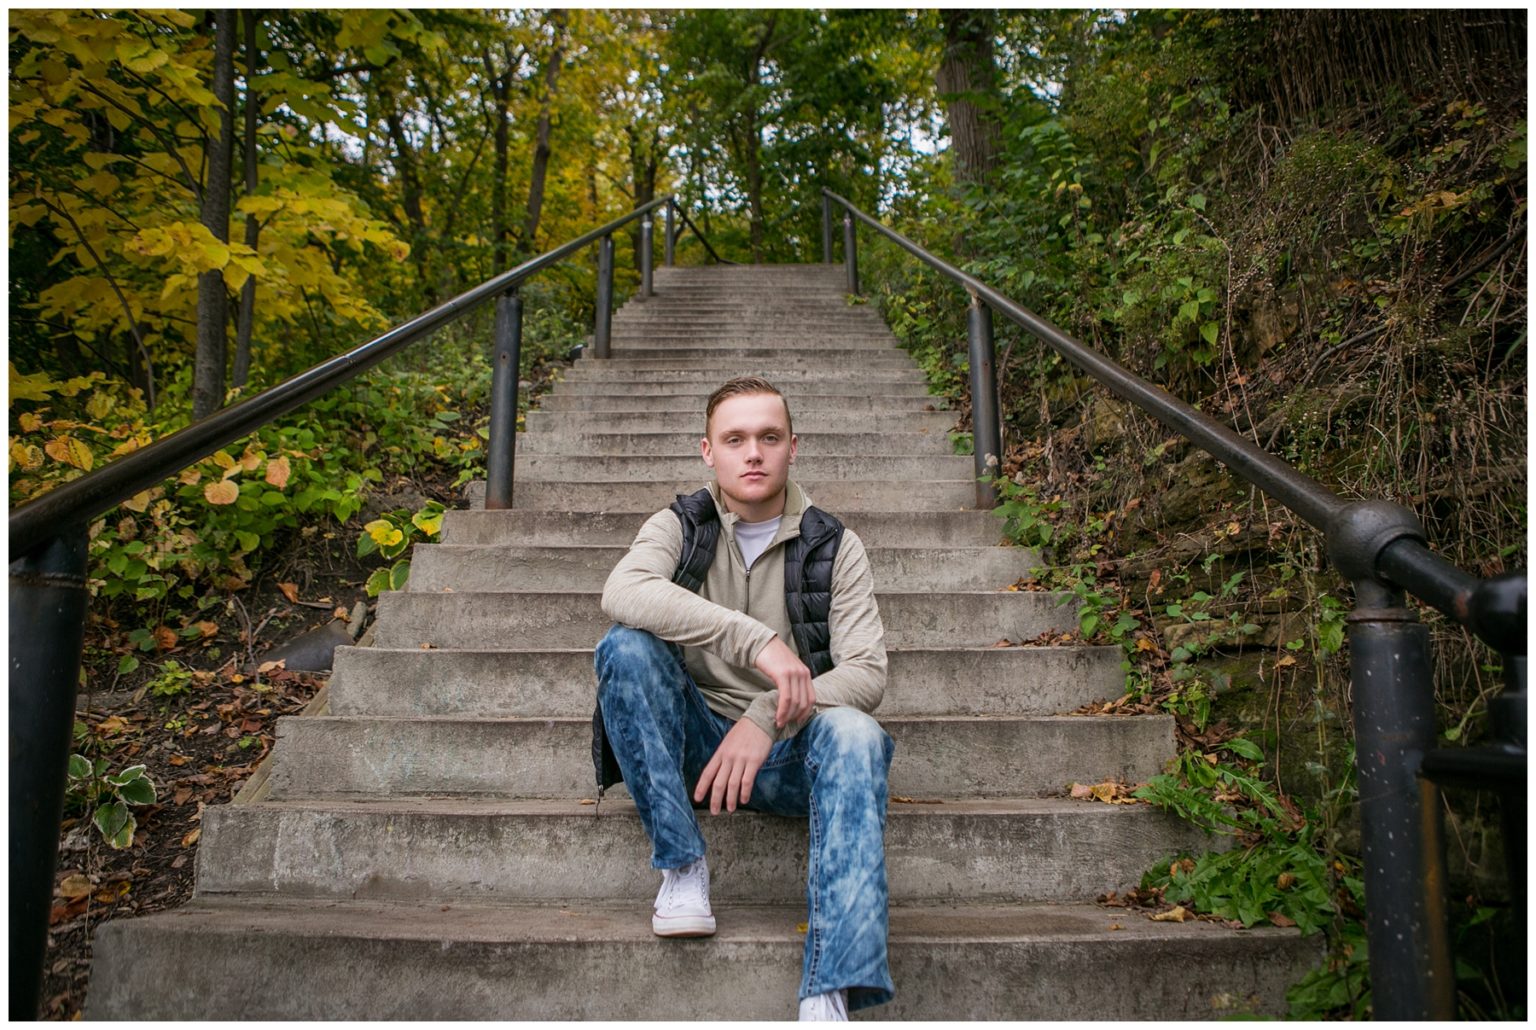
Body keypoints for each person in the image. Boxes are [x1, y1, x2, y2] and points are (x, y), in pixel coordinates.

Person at [593, 376, 894, 1021]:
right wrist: (757, 642)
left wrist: (765, 717)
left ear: (793, 447)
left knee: (858, 734)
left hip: (789, 754)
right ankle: (682, 867)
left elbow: (867, 673)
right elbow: (622, 590)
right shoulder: (680, 525)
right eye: (735, 439)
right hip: (696, 748)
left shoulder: (835, 546)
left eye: (769, 437)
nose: (753, 453)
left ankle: (831, 988)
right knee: (626, 647)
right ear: (708, 451)